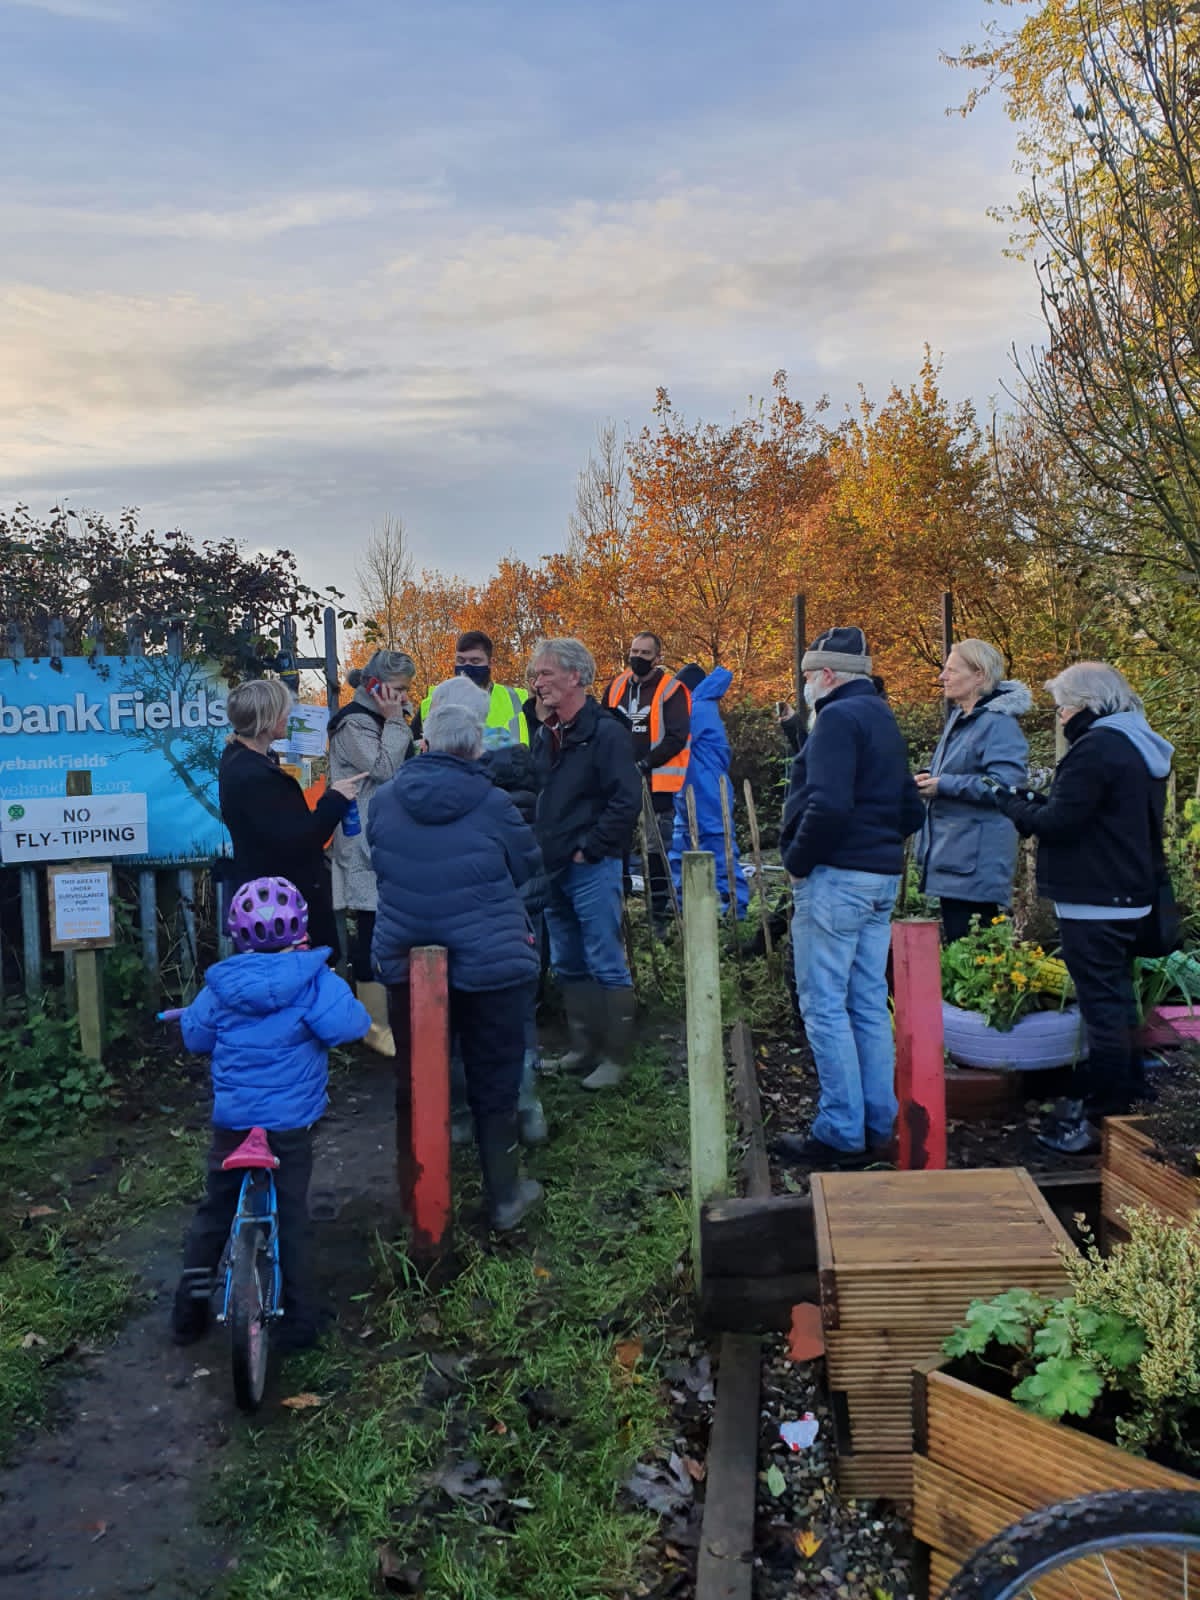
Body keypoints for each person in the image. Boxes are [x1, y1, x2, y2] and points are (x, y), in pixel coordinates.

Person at [170, 876, 371, 1348]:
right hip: (289, 1123)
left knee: (214, 1211)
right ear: (301, 928)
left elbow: (195, 1037)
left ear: (237, 935)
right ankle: (302, 1321)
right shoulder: (316, 979)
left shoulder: (221, 985)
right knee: (293, 1216)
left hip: (233, 1122)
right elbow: (347, 1026)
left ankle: (187, 1312)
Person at [369, 693, 544, 1230]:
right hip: (491, 961)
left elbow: (379, 858)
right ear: (475, 752)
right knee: (494, 1071)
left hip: (406, 955)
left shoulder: (385, 800)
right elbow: (529, 869)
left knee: (415, 1077)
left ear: (423, 745)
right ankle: (505, 1196)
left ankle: (417, 1197)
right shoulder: (494, 803)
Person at [993, 662, 1174, 1155]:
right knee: (1117, 1001)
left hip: (1095, 901)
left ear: (1090, 704)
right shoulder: (1139, 744)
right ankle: (1132, 1094)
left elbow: (1061, 821)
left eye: (1065, 706)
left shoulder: (1097, 747)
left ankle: (1099, 1119)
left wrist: (1013, 805)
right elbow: (1091, 813)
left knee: (1103, 1012)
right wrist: (1036, 801)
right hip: (1128, 895)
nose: (1061, 715)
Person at [777, 627, 924, 1168]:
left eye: (809, 676)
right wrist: (881, 845)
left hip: (835, 878)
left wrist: (796, 863)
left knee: (824, 1006)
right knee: (864, 1003)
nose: (806, 687)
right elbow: (912, 809)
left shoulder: (837, 718)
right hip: (879, 877)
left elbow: (830, 805)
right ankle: (878, 1121)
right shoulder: (881, 716)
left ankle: (841, 1129)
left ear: (829, 675)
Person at [425, 675, 548, 1147]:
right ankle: (526, 1107)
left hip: (457, 920)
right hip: (513, 917)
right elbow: (526, 857)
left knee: (456, 1020)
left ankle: (460, 1115)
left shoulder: (444, 788)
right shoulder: (513, 772)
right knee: (516, 1014)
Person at [532, 637, 641, 1090]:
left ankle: (616, 1058)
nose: (537, 684)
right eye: (535, 676)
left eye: (545, 674)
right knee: (568, 959)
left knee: (604, 957)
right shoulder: (547, 734)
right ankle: (582, 1048)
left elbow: (626, 799)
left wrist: (591, 848)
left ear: (576, 676)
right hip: (553, 866)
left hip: (590, 866)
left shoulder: (605, 733)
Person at [219, 679, 365, 961]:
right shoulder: (256, 776)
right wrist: (334, 799)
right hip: (281, 909)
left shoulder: (240, 759)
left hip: (266, 899)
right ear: (266, 720)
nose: (288, 716)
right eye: (283, 711)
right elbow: (301, 840)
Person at [327, 649, 416, 1053]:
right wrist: (398, 723)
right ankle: (374, 1026)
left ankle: (386, 1018)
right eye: (396, 690)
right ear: (374, 685)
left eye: (406, 690)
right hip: (362, 840)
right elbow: (382, 768)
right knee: (371, 928)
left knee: (385, 927)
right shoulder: (355, 724)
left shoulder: (383, 717)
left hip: (386, 836)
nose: (402, 697)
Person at [914, 639, 1031, 944]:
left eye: (951, 670)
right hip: (956, 858)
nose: (943, 677)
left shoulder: (998, 724)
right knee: (964, 954)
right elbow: (963, 771)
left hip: (975, 864)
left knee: (976, 955)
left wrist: (944, 785)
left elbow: (1007, 786)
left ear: (979, 675)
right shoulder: (962, 718)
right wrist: (930, 776)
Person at [602, 631, 691, 935]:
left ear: (658, 658)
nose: (637, 657)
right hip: (618, 779)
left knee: (656, 849)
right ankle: (620, 908)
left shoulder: (672, 690)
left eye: (644, 653)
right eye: (633, 651)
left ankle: (659, 917)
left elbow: (677, 737)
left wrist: (645, 764)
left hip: (658, 781)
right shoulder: (615, 687)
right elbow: (602, 727)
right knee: (617, 842)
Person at [668, 664, 749, 917]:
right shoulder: (699, 706)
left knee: (717, 845)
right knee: (686, 845)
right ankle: (686, 905)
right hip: (693, 789)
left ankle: (733, 909)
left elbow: (669, 737)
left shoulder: (696, 709)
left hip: (705, 790)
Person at [415, 629, 529, 750]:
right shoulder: (433, 701)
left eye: (475, 661)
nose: (466, 668)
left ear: (491, 663)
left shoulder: (518, 699)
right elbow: (412, 751)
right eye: (461, 661)